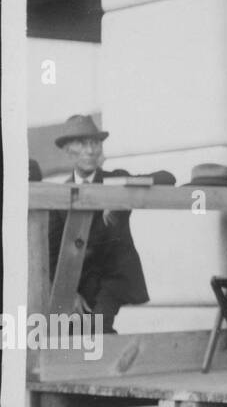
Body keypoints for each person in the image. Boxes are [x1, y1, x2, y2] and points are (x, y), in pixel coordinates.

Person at [47, 116, 151, 332]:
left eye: (95, 143)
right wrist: (69, 293)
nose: (91, 150)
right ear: (68, 151)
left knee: (96, 329)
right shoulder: (58, 195)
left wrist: (115, 193)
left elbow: (166, 177)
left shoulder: (116, 180)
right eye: (83, 144)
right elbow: (53, 255)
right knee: (72, 336)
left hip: (114, 278)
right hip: (80, 282)